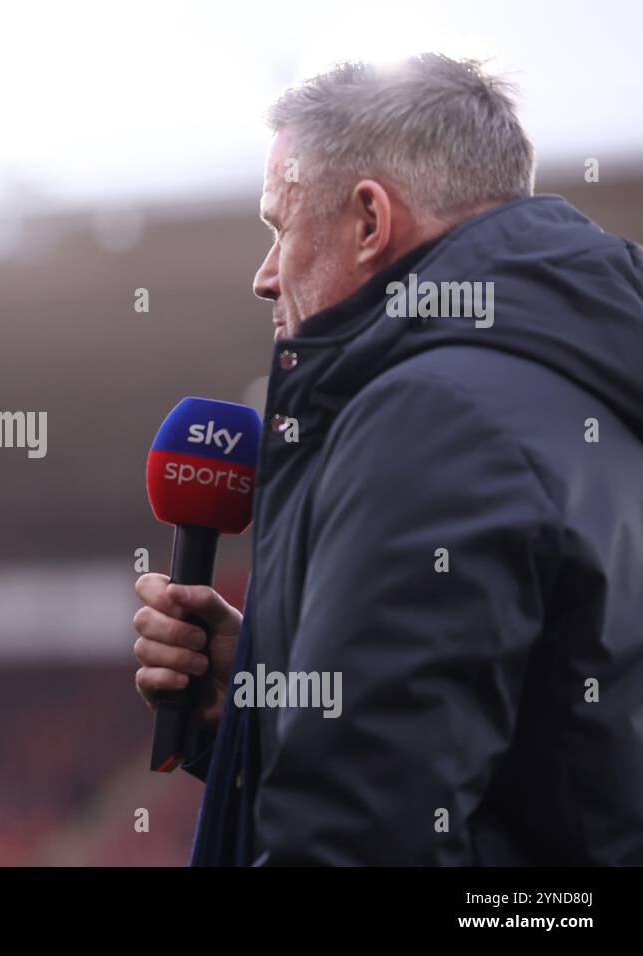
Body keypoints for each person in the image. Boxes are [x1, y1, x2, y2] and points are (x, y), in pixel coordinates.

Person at [133, 54, 643, 865]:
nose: (264, 277)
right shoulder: (587, 385)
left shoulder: (432, 417)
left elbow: (357, 841)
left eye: (279, 226)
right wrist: (267, 690)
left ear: (369, 221)